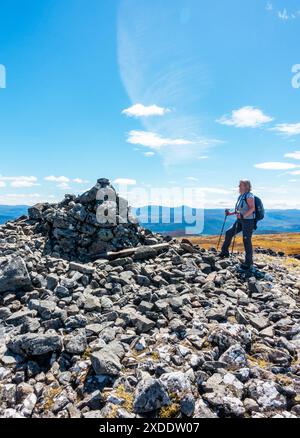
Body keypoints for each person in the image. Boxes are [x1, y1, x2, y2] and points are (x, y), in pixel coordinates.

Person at [219, 180, 256, 270]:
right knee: (229, 232)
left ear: (246, 186)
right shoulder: (241, 196)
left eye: (240, 185)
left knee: (246, 240)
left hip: (248, 221)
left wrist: (243, 215)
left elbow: (252, 208)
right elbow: (238, 210)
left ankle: (248, 262)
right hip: (240, 220)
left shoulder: (249, 195)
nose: (238, 186)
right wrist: (230, 213)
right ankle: (224, 252)